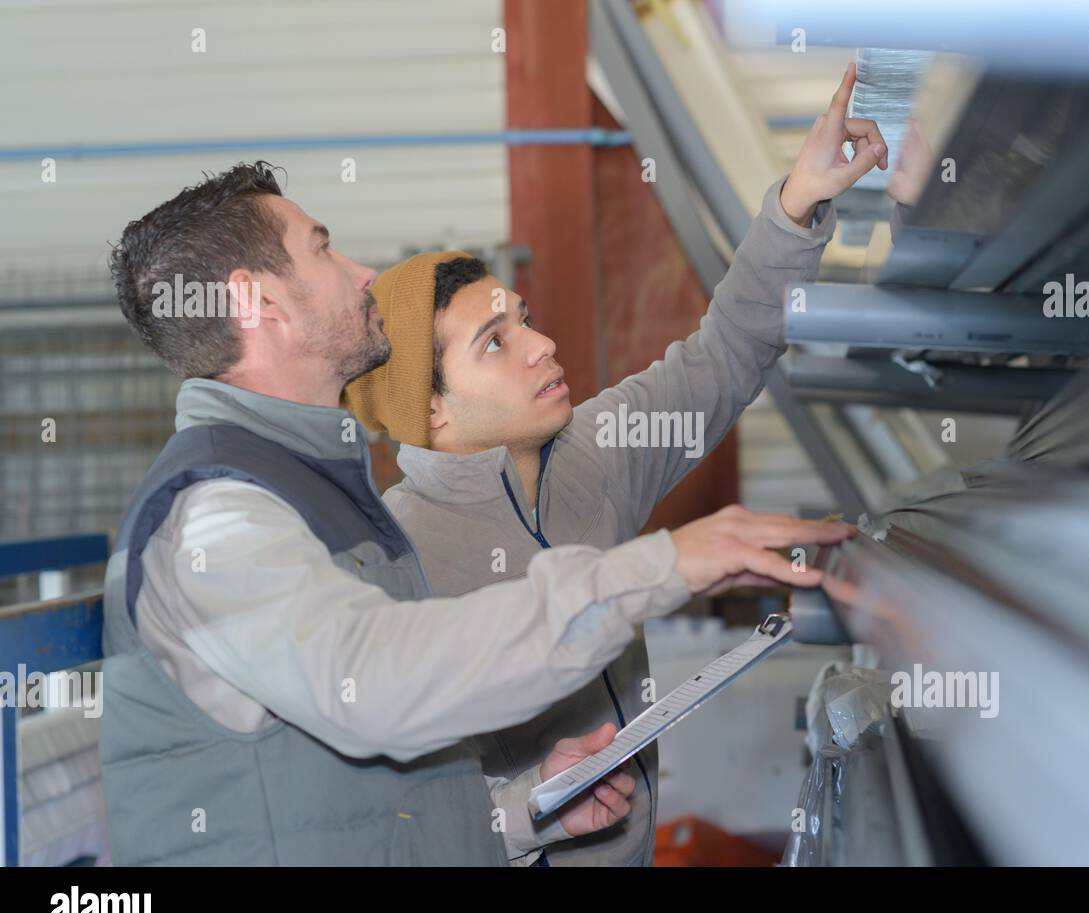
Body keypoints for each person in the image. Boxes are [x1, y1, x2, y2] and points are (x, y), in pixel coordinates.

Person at [100, 149, 853, 865]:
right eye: (323, 250)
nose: (362, 273)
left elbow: (383, 800)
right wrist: (657, 567)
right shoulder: (216, 514)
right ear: (258, 300)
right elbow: (374, 683)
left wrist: (530, 807)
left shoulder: (321, 495)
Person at [342, 65, 887, 865]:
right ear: (433, 411)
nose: (543, 345)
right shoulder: (393, 562)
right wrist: (531, 808)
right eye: (497, 343)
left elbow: (725, 354)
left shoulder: (588, 456)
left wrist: (799, 199)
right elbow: (383, 833)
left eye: (522, 320)